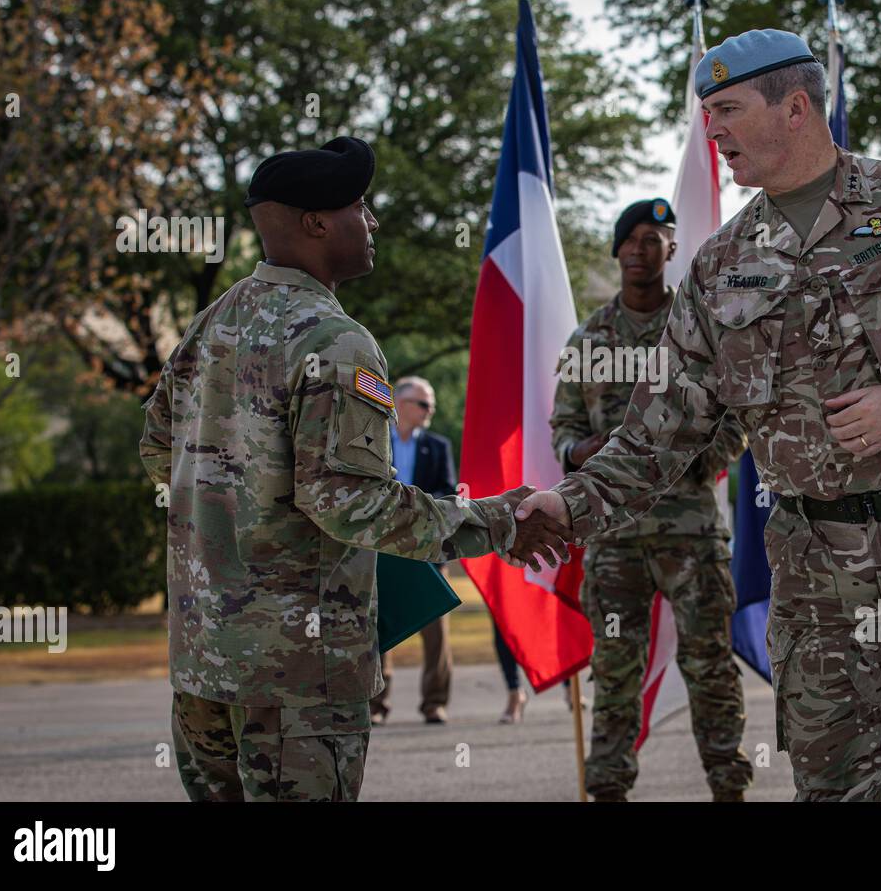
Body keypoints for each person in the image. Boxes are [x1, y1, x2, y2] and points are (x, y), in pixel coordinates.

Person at [515, 29, 881, 801]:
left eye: (728, 109)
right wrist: (565, 504)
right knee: (831, 791)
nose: (713, 131)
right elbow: (658, 429)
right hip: (816, 572)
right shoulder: (719, 265)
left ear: (796, 107)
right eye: (707, 114)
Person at [139, 136, 567, 802]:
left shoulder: (212, 323)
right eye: (359, 208)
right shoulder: (335, 340)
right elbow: (347, 501)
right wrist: (497, 520)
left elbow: (157, 448)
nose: (371, 223)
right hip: (296, 676)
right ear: (315, 224)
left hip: (204, 663)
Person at [550, 198, 753, 802]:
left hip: (691, 533)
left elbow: (736, 419)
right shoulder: (589, 339)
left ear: (671, 251)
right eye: (631, 240)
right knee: (614, 673)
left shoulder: (696, 329)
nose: (641, 250)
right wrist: (578, 451)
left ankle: (729, 786)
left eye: (655, 239)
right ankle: (608, 788)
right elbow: (560, 426)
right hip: (613, 539)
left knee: (711, 669)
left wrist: (693, 463)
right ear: (616, 251)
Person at [369, 376, 458, 726]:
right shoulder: (375, 442)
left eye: (431, 404)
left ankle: (434, 703)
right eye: (423, 403)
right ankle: (376, 705)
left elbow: (448, 492)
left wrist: (413, 511)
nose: (430, 410)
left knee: (436, 631)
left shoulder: (437, 446)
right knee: (378, 625)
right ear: (400, 404)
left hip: (427, 548)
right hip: (381, 548)